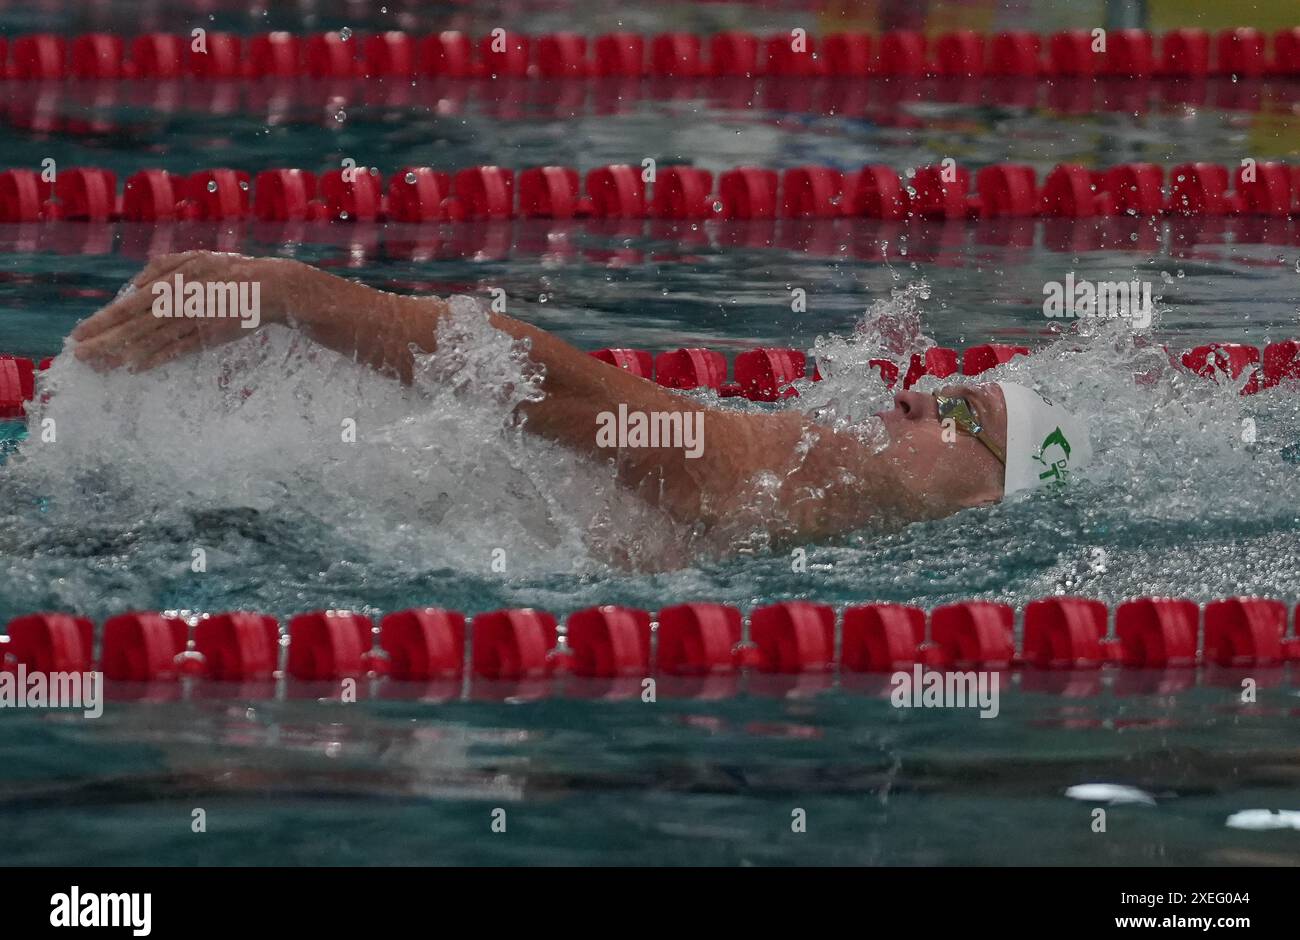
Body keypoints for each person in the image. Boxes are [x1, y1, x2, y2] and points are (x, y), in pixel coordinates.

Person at [69, 252, 1091, 551]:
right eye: (948, 387)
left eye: (967, 417)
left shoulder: (804, 506)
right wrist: (289, 298)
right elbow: (540, 385)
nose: (923, 398)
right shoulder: (772, 475)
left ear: (986, 504)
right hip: (241, 521)